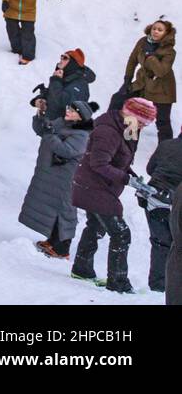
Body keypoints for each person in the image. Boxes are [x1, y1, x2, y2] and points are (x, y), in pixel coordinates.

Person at [70, 97, 156, 292]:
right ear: (131, 116)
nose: (143, 127)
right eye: (142, 123)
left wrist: (135, 180)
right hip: (93, 187)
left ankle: (81, 269)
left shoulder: (126, 129)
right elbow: (99, 164)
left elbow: (121, 161)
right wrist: (127, 180)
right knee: (121, 233)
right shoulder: (108, 131)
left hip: (100, 186)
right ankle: (118, 283)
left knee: (95, 226)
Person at [19, 100, 96, 259]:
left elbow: (65, 150)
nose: (69, 111)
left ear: (81, 117)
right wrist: (40, 114)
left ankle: (62, 249)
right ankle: (52, 241)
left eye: (73, 111)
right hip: (53, 174)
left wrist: (50, 134)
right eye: (69, 107)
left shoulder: (82, 134)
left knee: (64, 210)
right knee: (53, 207)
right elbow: (42, 129)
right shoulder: (62, 123)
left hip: (66, 177)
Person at [124, 19, 176, 140]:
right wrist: (127, 79)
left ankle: (166, 152)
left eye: (160, 30)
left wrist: (150, 56)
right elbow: (132, 60)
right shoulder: (143, 42)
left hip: (162, 89)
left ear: (166, 33)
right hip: (143, 84)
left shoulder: (169, 51)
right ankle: (127, 147)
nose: (156, 31)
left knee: (162, 122)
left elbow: (161, 71)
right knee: (132, 114)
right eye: (154, 28)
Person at [142, 132, 182, 292]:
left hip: (152, 196)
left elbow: (150, 168)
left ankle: (158, 284)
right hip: (173, 201)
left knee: (160, 243)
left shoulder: (166, 143)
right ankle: (167, 286)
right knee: (175, 246)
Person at [31, 49, 96, 135]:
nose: (61, 59)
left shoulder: (80, 84)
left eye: (65, 58)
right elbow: (53, 94)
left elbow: (64, 102)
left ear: (73, 63)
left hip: (64, 136)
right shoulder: (65, 78)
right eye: (61, 57)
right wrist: (40, 99)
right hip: (51, 131)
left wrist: (56, 80)